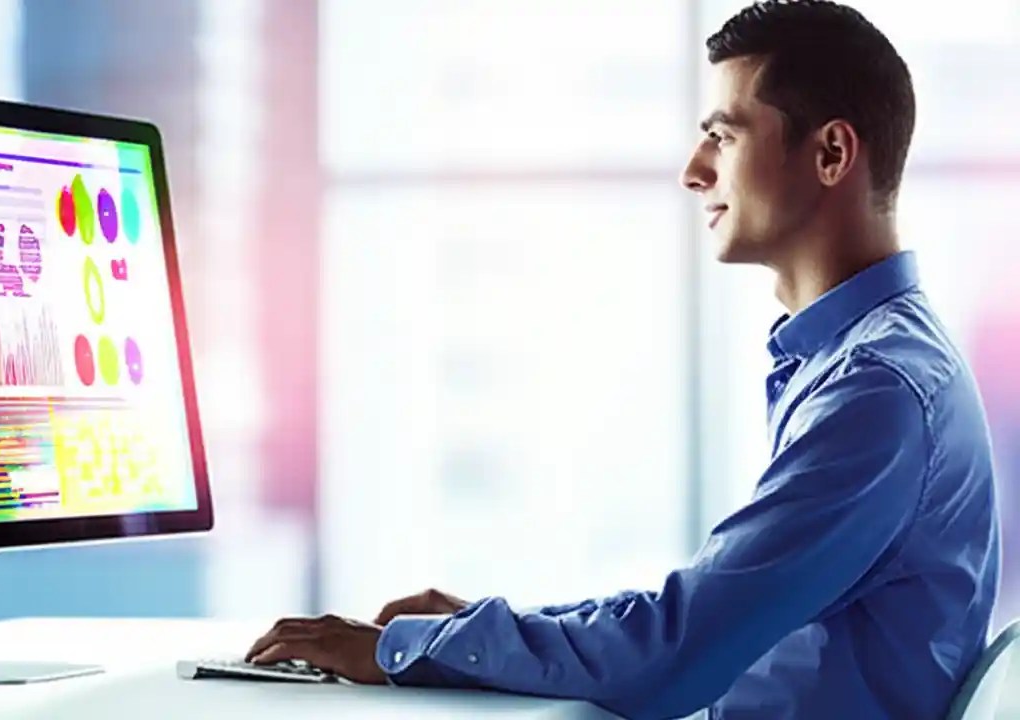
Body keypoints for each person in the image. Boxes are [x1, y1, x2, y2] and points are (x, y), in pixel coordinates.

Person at [245, 1, 1001, 717]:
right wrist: (476, 629)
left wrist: (409, 650)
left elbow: (676, 648)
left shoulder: (877, 389)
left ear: (832, 152)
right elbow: (700, 610)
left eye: (725, 134)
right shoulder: (863, 359)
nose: (694, 170)